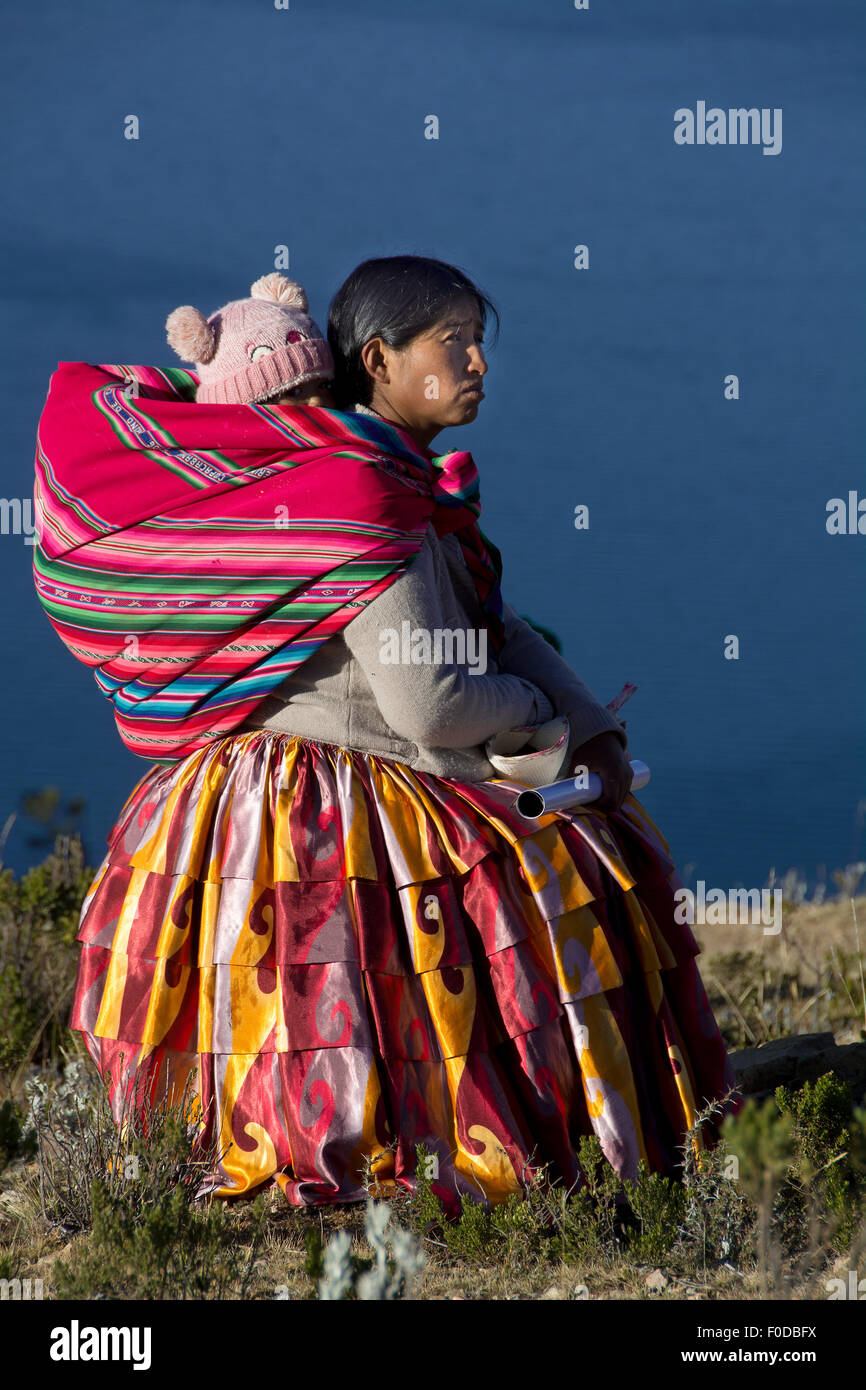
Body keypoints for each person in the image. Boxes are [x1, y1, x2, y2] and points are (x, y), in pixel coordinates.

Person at [35, 260, 740, 1213]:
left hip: (303, 771)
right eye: (454, 342)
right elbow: (433, 706)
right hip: (327, 795)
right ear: (381, 360)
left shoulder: (399, 485)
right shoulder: (363, 500)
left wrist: (593, 728)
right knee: (558, 876)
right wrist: (540, 726)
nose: (480, 361)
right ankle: (462, 1156)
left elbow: (493, 623)